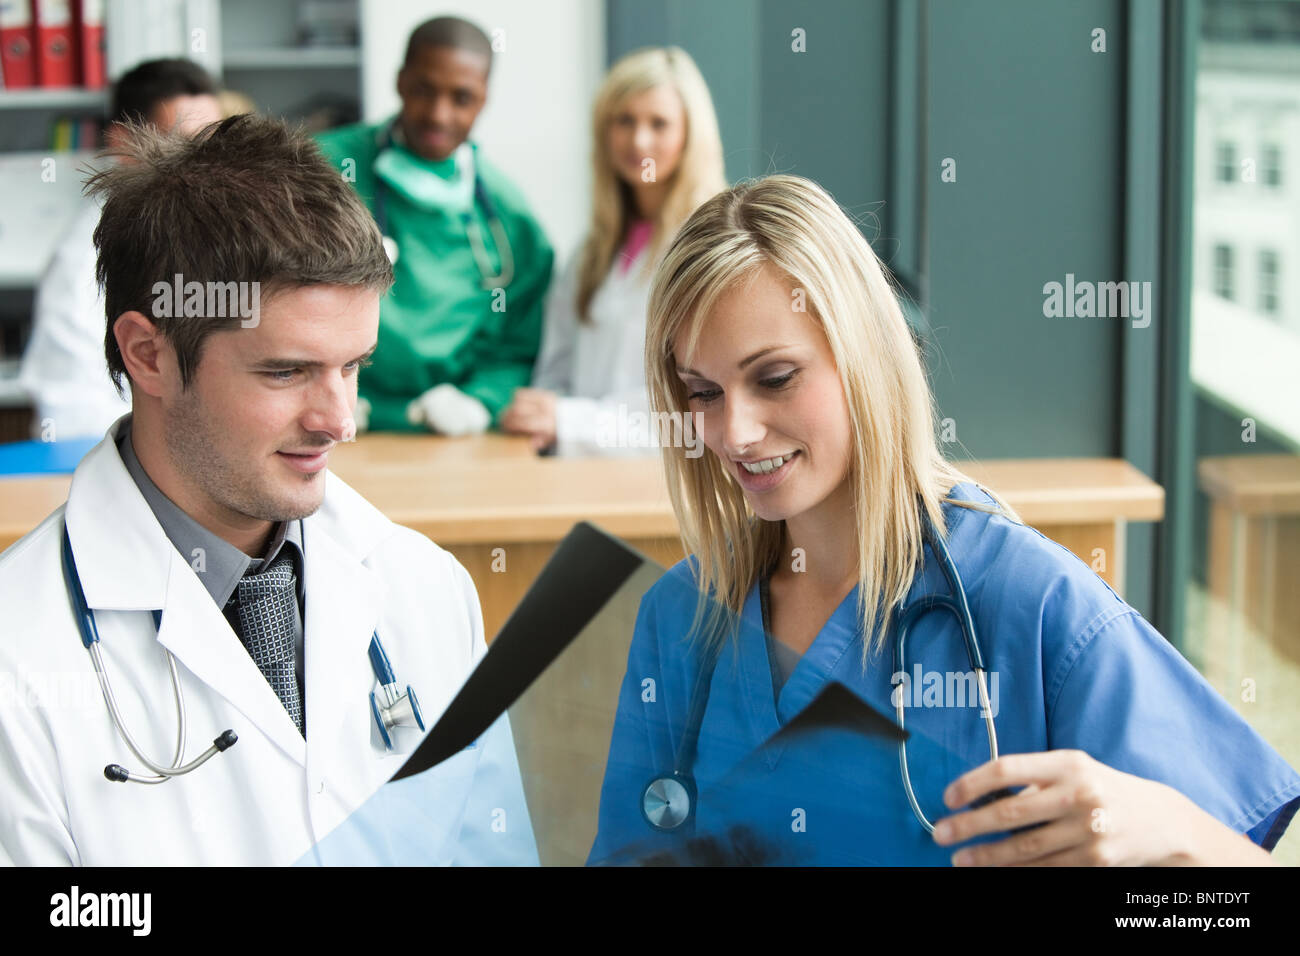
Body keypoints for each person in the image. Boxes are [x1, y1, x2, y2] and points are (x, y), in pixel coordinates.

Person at [589, 175, 1300, 866]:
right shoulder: (681, 620)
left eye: (774, 378)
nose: (735, 432)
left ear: (867, 355)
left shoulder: (1031, 604)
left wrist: (1174, 829)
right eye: (703, 392)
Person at [0, 115, 535, 866]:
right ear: (148, 355)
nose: (339, 420)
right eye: (286, 371)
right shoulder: (17, 657)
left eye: (354, 366)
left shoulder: (426, 588)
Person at [315, 16, 553, 435]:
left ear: (483, 100)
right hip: (325, 425)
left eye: (461, 98)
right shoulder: (322, 170)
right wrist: (312, 382)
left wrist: (480, 401)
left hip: (447, 436)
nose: (439, 115)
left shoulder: (511, 220)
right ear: (401, 82)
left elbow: (517, 345)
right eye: (424, 90)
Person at [500, 47, 725, 456]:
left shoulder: (714, 249)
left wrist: (571, 421)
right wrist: (547, 418)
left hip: (674, 486)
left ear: (691, 134)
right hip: (581, 476)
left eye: (659, 123)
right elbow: (554, 374)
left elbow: (704, 413)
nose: (639, 140)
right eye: (625, 120)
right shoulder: (590, 253)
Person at [18, 58, 223, 442]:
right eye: (181, 144)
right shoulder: (84, 260)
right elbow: (73, 417)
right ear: (123, 143)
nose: (203, 164)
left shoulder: (206, 232)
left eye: (209, 143)